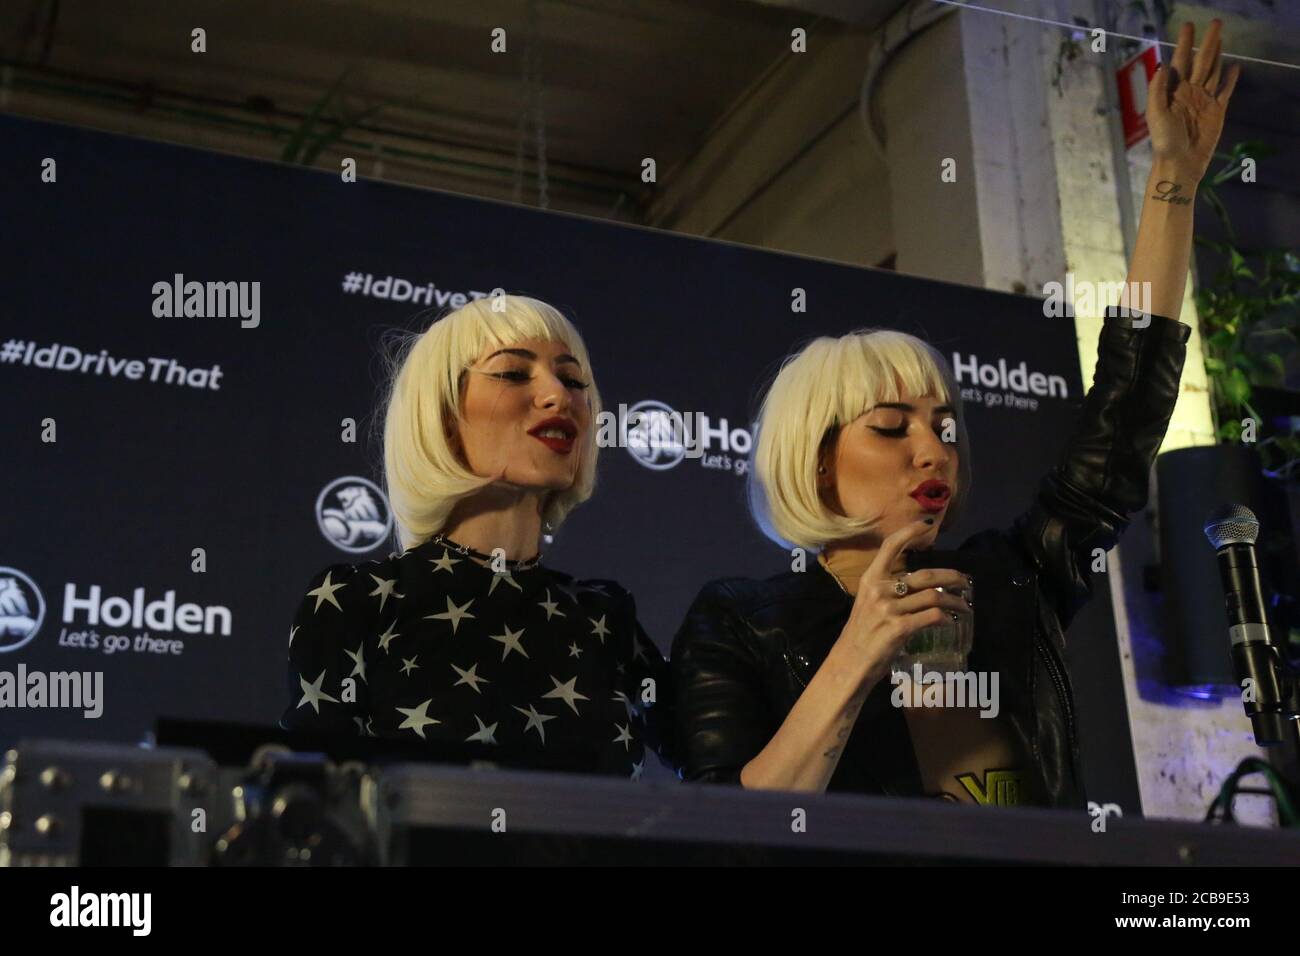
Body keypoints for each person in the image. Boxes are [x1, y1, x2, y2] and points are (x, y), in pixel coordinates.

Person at [671, 21, 1239, 807]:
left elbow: (1129, 401)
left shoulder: (1007, 582)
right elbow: (727, 831)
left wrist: (1171, 177)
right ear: (814, 461)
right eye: (890, 426)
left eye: (943, 427)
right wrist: (857, 653)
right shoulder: (741, 619)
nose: (932, 451)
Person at [281, 294, 674, 779]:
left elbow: (741, 788)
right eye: (513, 373)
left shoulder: (605, 615)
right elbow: (320, 817)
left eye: (573, 380)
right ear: (442, 415)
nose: (559, 396)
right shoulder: (356, 603)